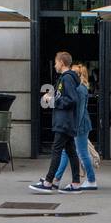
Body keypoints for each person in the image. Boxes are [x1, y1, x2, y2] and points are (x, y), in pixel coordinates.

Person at [28, 51, 82, 194]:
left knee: (56, 150)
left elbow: (71, 100)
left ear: (62, 63)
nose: (55, 65)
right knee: (71, 152)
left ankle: (48, 182)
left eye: (56, 62)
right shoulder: (66, 78)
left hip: (64, 121)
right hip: (66, 121)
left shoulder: (67, 79)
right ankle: (75, 183)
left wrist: (52, 100)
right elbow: (66, 97)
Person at [52, 63, 97, 190]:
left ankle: (91, 180)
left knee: (82, 153)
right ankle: (56, 178)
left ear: (78, 74)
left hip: (79, 126)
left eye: (73, 72)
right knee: (66, 153)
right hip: (78, 125)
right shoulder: (80, 88)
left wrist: (75, 128)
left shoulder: (80, 89)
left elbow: (80, 111)